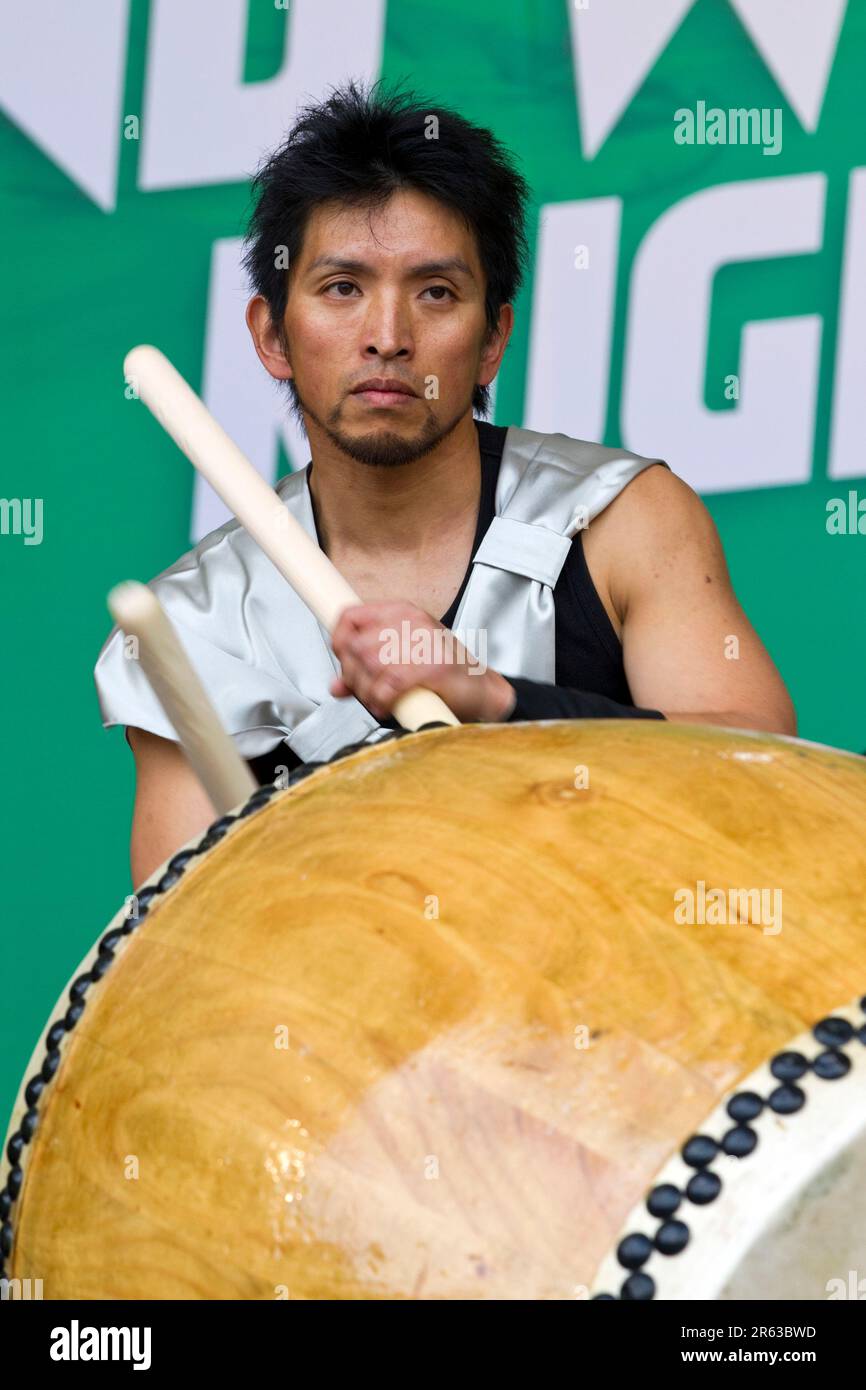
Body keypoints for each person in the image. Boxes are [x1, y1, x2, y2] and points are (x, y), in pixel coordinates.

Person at [94, 79, 796, 885]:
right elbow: (178, 967)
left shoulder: (618, 521)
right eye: (342, 289)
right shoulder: (193, 624)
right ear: (272, 335)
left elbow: (767, 773)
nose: (387, 338)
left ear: (494, 335)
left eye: (436, 292)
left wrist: (498, 700)